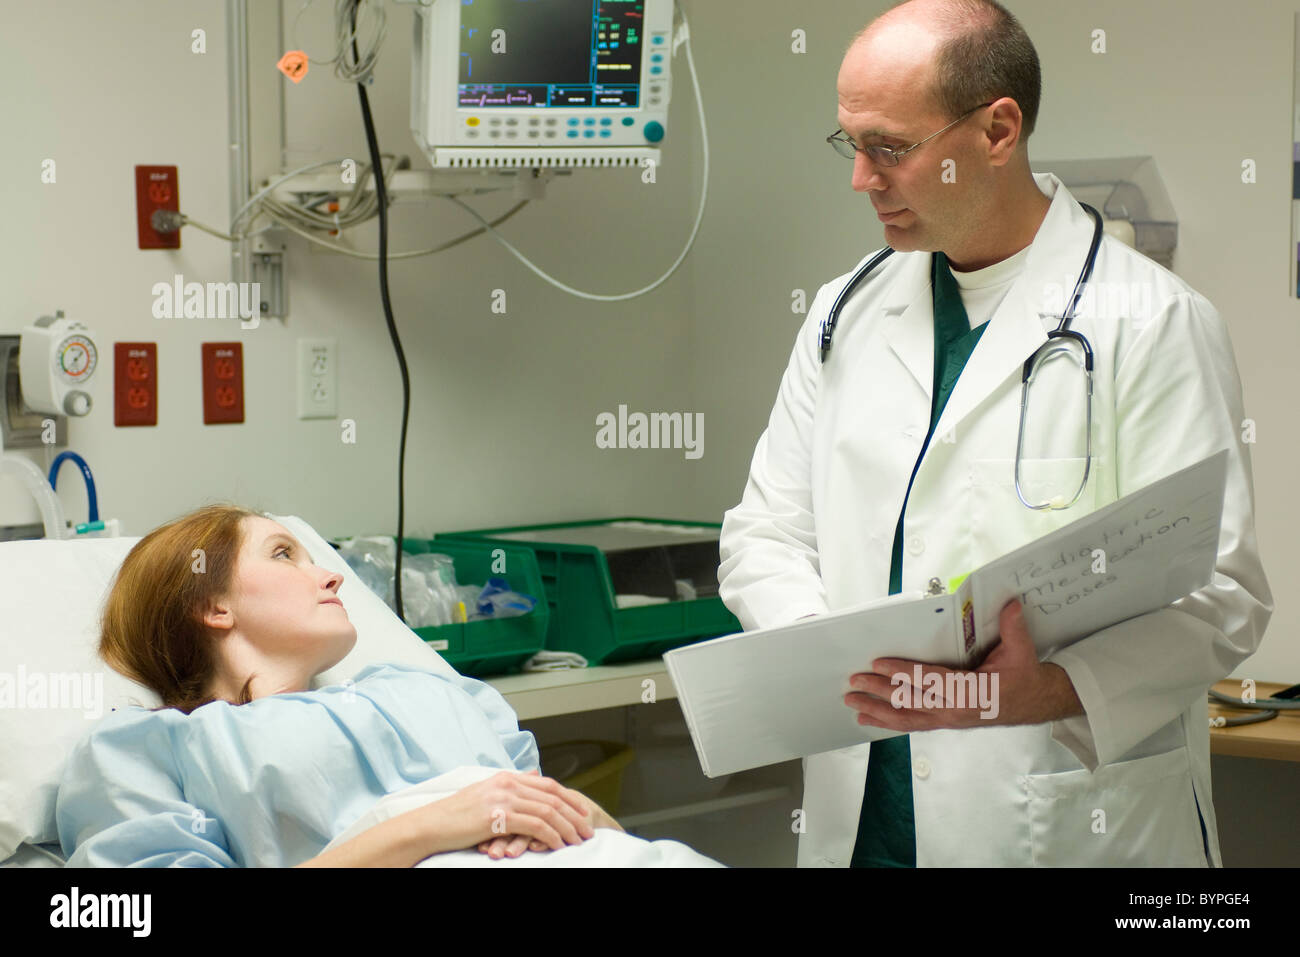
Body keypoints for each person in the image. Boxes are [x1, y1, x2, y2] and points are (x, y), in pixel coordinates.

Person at [717, 0, 1272, 867]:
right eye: (849, 143)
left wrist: (1040, 691)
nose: (861, 179)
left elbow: (1222, 596)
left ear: (998, 130)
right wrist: (836, 658)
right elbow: (764, 532)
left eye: (889, 148)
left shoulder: (1151, 320)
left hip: (1059, 824)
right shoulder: (843, 315)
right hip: (863, 821)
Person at [56, 504, 624, 867]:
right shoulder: (155, 748)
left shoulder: (432, 690)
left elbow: (564, 821)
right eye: (284, 555)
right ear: (213, 605)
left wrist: (589, 818)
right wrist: (433, 827)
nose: (330, 574)